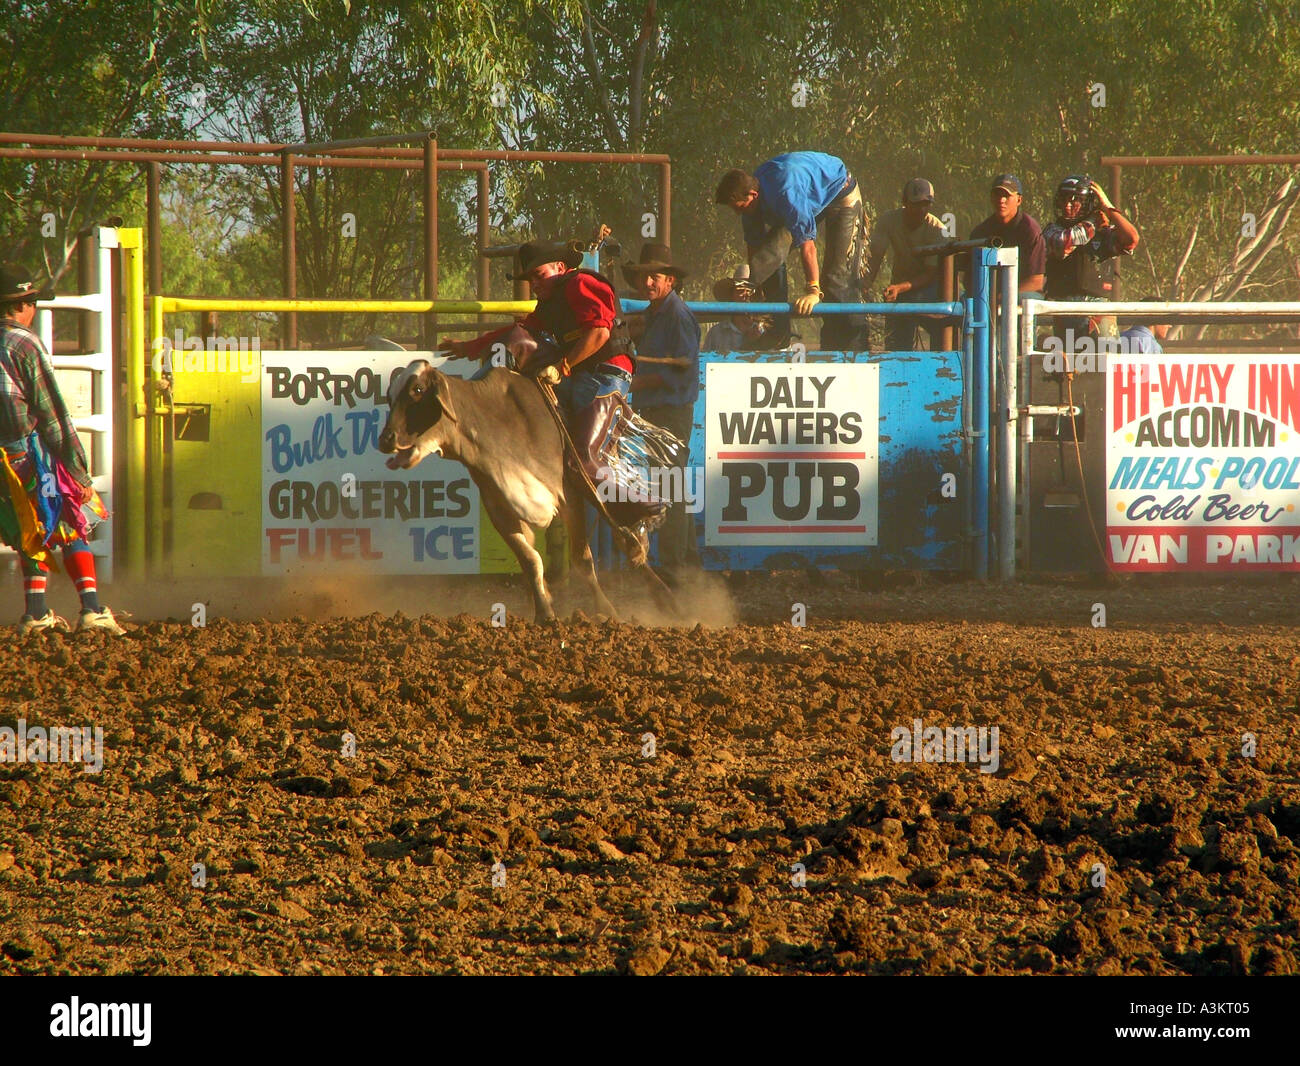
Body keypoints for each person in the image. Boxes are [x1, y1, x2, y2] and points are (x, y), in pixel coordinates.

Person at [442, 240, 664, 533]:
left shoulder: (580, 283)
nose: (534, 283)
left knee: (583, 460)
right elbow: (519, 331)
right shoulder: (551, 301)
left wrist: (562, 367)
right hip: (579, 377)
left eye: (539, 274)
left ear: (560, 267)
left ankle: (646, 505)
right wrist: (470, 346)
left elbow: (599, 333)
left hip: (606, 376)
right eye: (531, 278)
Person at [0, 264, 124, 634]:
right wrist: (77, 470)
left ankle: (37, 614)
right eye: (32, 301)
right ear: (21, 305)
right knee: (68, 517)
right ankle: (91, 608)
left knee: (28, 529)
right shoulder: (24, 344)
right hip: (25, 453)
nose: (33, 309)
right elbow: (52, 412)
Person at [715, 151, 864, 349]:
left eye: (740, 207)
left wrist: (813, 290)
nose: (737, 212)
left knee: (837, 278)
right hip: (808, 197)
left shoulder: (786, 193)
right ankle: (777, 335)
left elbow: (808, 246)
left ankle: (852, 346)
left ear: (753, 195)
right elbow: (756, 249)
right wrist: (755, 283)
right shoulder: (752, 205)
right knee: (769, 258)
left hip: (840, 191)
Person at [624, 243, 699, 575]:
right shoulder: (655, 314)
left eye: (654, 277)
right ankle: (686, 564)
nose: (648, 283)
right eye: (644, 277)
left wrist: (632, 384)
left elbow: (678, 372)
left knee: (669, 487)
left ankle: (675, 568)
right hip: (657, 413)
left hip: (670, 413)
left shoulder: (677, 315)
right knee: (670, 486)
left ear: (670, 280)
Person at [1043, 175, 1140, 348]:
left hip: (1099, 309)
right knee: (1067, 367)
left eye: (1075, 201)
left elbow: (1131, 238)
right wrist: (1093, 221)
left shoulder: (1103, 233)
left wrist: (1108, 208)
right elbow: (1064, 243)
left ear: (1087, 203)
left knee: (1106, 364)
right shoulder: (1052, 230)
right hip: (1065, 308)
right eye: (1064, 200)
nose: (1068, 205)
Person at [861, 178, 948, 351]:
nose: (921, 209)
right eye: (916, 204)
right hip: (899, 289)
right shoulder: (889, 220)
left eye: (926, 204)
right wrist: (864, 285)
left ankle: (941, 371)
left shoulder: (937, 229)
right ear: (904, 202)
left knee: (941, 337)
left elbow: (931, 273)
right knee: (897, 345)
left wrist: (900, 288)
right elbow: (875, 255)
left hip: (930, 292)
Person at [968, 174, 1046, 298]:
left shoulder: (1030, 230)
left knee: (1025, 298)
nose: (1001, 200)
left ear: (1019, 200)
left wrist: (1002, 296)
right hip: (987, 297)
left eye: (1007, 195)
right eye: (997, 195)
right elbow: (970, 278)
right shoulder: (980, 231)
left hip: (1021, 295)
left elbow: (1036, 282)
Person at [703, 266, 777, 352]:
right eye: (740, 290)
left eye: (751, 290)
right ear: (732, 294)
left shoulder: (767, 332)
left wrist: (759, 342)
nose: (746, 295)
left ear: (757, 295)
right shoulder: (716, 333)